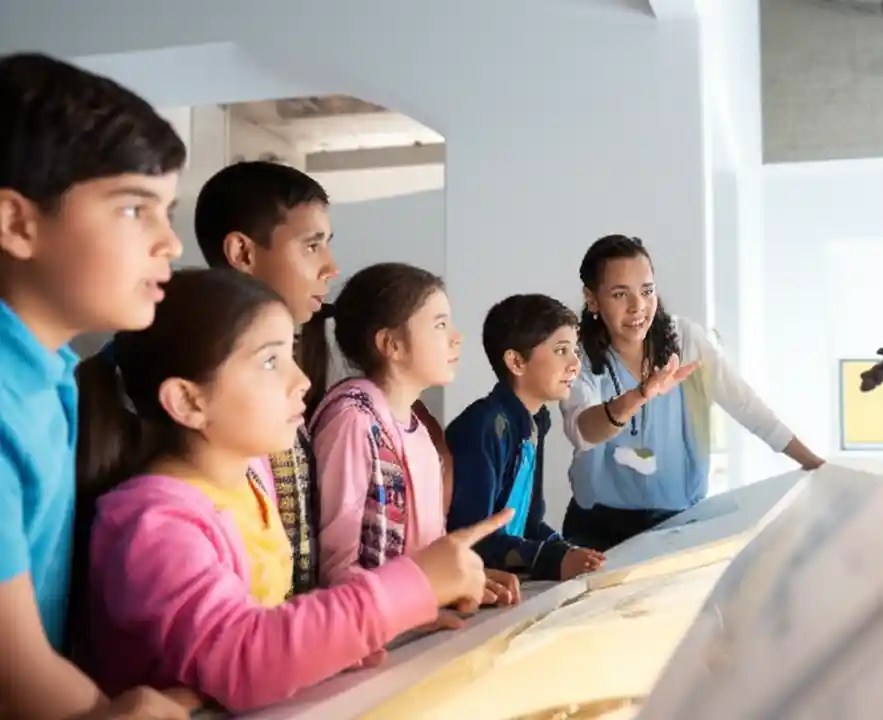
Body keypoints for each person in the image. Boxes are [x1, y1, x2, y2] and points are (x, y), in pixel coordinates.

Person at [74, 268, 510, 714]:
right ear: (188, 401)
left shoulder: (251, 480)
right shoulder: (153, 522)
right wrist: (414, 586)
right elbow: (245, 658)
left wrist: (354, 637)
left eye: (291, 354)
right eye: (270, 361)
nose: (301, 380)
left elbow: (277, 626)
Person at [0, 51, 197, 719]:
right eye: (135, 209)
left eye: (167, 211)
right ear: (18, 224)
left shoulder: (51, 375)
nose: (170, 243)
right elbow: (17, 674)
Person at [560, 235, 825, 550]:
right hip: (597, 530)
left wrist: (813, 463)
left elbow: (745, 405)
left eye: (647, 291)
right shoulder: (577, 356)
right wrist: (640, 395)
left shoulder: (685, 339)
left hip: (679, 524)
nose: (638, 307)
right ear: (592, 299)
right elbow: (583, 432)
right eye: (620, 294)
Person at [309, 263, 521, 607]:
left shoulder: (419, 431)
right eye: (440, 324)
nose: (456, 337)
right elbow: (339, 569)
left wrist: (462, 578)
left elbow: (426, 555)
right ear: (392, 344)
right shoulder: (352, 420)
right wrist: (417, 603)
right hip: (368, 622)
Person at [194, 160, 340, 596]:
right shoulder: (211, 380)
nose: (331, 268)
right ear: (243, 253)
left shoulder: (297, 361)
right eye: (311, 246)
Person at [447, 294, 608, 581]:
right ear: (517, 362)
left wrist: (567, 550)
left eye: (575, 350)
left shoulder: (536, 421)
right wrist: (552, 559)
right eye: (561, 350)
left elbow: (530, 522)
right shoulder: (483, 427)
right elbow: (472, 539)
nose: (575, 363)